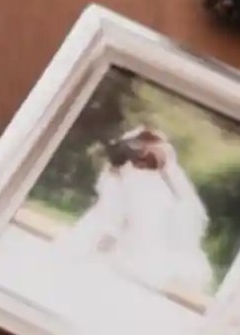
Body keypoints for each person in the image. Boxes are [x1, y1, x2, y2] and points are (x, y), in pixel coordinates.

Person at [61, 127, 214, 296]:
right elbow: (110, 221)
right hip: (131, 254)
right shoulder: (125, 179)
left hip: (150, 255)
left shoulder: (170, 186)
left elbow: (190, 222)